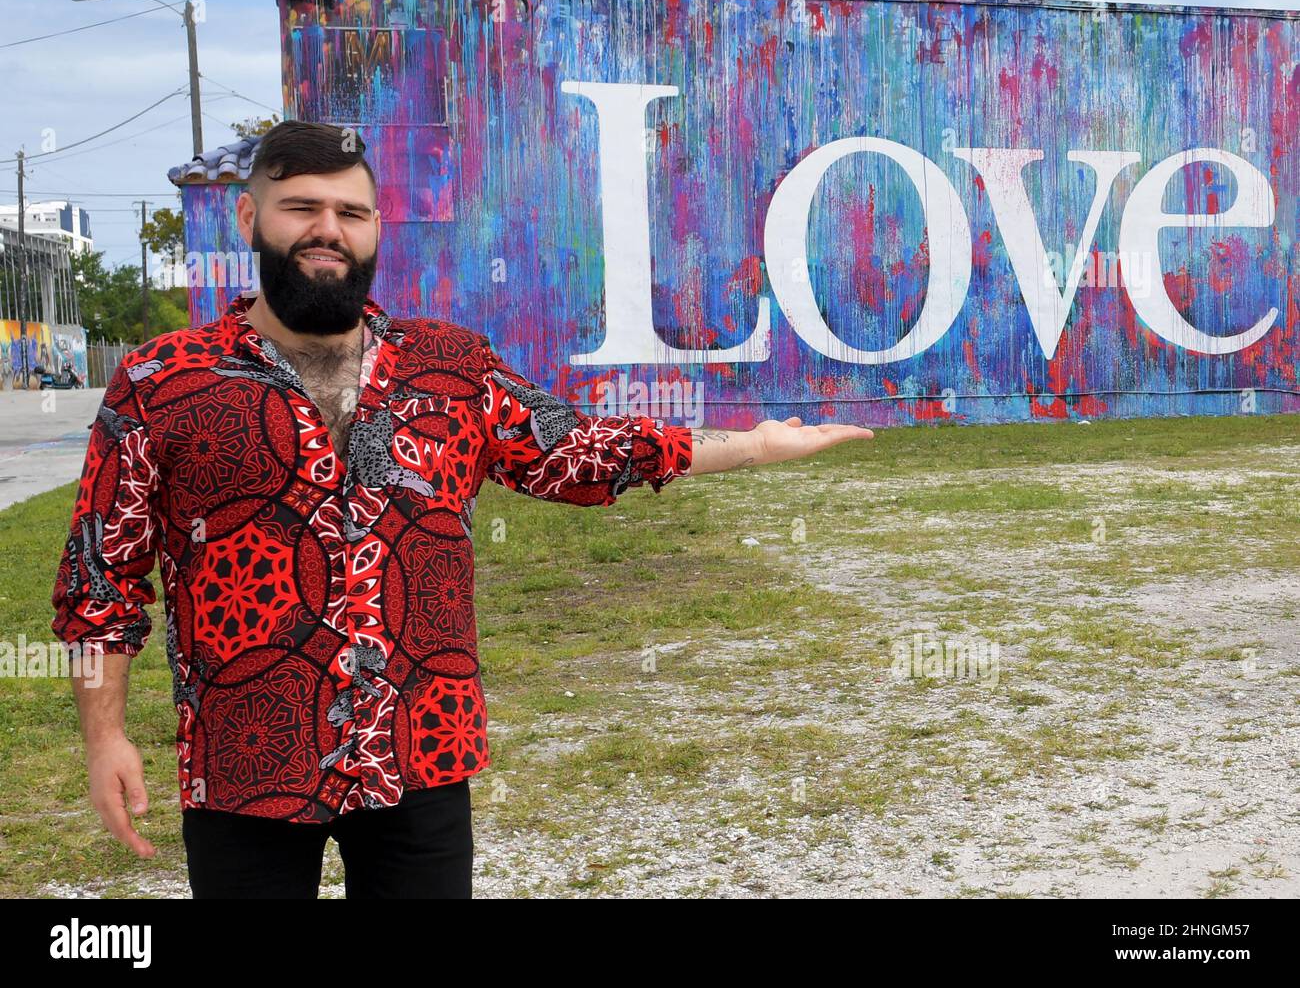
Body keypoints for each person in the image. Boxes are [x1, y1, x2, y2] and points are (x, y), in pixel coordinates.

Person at [49, 120, 874, 899]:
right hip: (246, 760)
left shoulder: (450, 368)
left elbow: (576, 448)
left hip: (421, 751)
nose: (327, 227)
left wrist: (753, 445)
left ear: (375, 228)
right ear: (249, 216)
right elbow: (100, 579)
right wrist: (105, 737)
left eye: (351, 211)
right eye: (302, 206)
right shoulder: (163, 380)